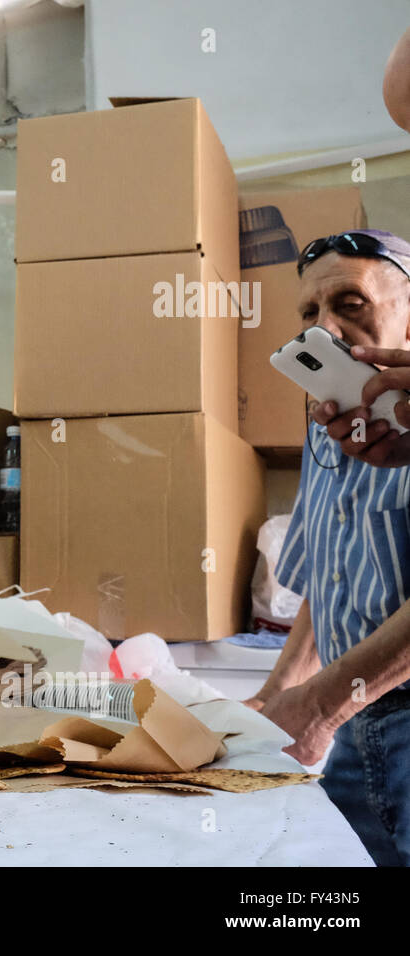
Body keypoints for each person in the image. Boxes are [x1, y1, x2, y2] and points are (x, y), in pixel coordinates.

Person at [244, 229, 410, 866]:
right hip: (354, 726)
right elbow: (331, 580)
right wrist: (278, 692)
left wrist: (317, 706)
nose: (325, 331)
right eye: (309, 314)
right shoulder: (327, 427)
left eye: (351, 304)